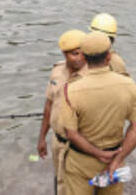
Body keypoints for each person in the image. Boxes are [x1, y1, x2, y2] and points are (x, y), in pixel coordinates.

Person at [59, 32, 136, 195]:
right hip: (114, 160)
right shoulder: (128, 85)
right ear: (109, 57)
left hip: (80, 163)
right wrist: (117, 160)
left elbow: (71, 134)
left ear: (83, 57)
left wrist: (99, 154)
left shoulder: (72, 90)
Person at [38, 29, 89, 194]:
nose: (79, 58)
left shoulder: (92, 76)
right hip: (57, 140)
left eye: (82, 53)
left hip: (79, 145)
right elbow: (49, 105)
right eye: (74, 54)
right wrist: (42, 138)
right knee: (59, 179)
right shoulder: (57, 71)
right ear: (64, 54)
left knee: (76, 186)